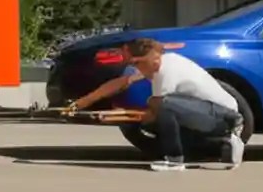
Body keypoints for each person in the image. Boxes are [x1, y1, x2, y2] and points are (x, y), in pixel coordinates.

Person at [63, 37, 244, 171]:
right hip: (205, 113)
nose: (138, 69)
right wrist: (79, 105)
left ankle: (175, 160)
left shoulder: (166, 70)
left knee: (162, 105)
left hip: (222, 116)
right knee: (158, 107)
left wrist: (116, 115)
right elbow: (121, 83)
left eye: (138, 63)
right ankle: (215, 143)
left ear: (152, 58)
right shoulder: (156, 62)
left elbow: (154, 112)